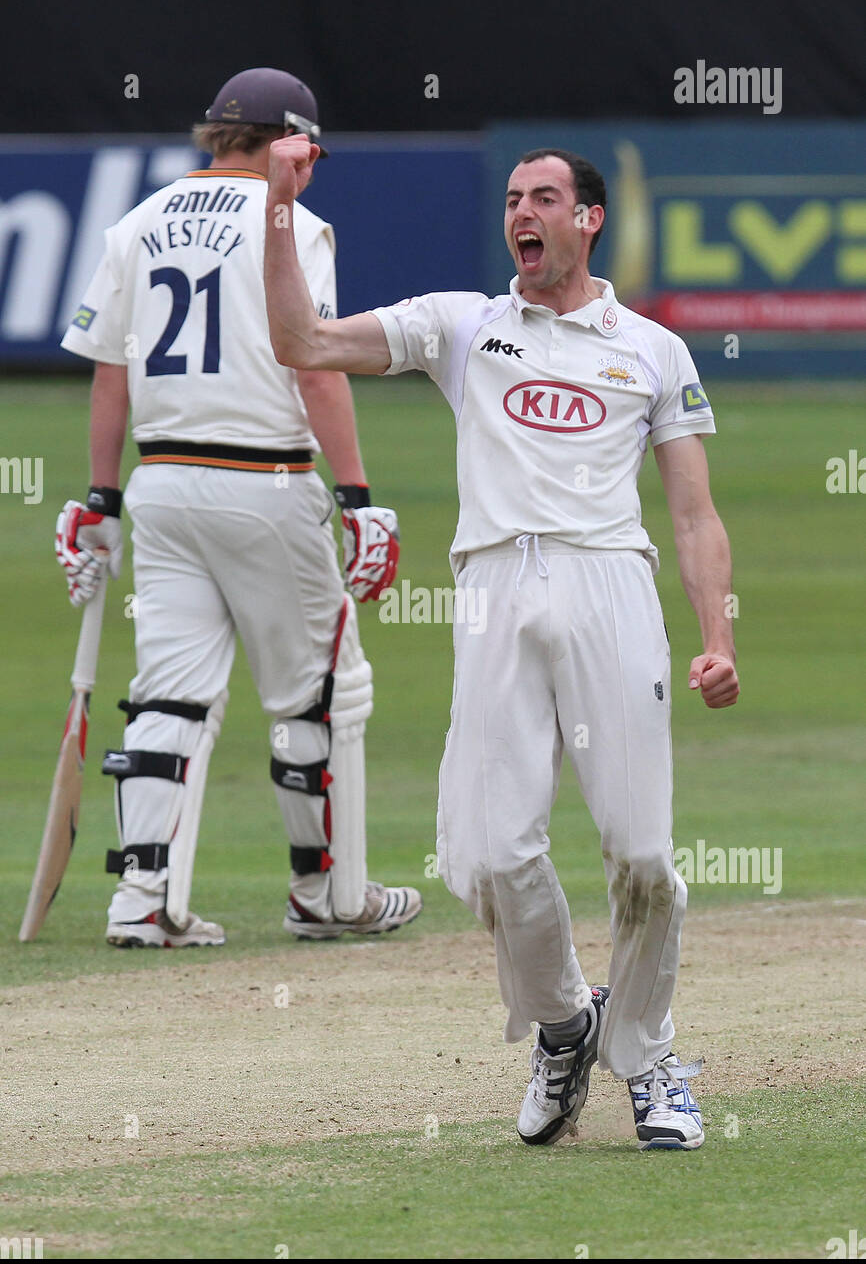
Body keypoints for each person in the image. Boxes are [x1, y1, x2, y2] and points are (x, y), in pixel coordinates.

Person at [264, 136, 741, 1151]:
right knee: (486, 853)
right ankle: (567, 1023)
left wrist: (715, 637)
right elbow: (301, 340)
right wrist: (273, 209)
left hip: (610, 580)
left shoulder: (651, 349)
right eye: (513, 198)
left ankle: (647, 1057)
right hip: (489, 582)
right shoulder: (460, 327)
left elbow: (693, 516)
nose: (521, 213)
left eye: (543, 198)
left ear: (586, 220)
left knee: (645, 853)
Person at [55, 67, 422, 948]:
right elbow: (315, 359)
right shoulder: (290, 222)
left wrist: (101, 499)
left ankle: (142, 897)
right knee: (322, 696)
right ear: (289, 141)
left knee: (169, 697)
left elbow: (111, 371)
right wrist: (360, 497)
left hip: (162, 488)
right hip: (267, 485)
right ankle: (328, 896)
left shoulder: (136, 223)